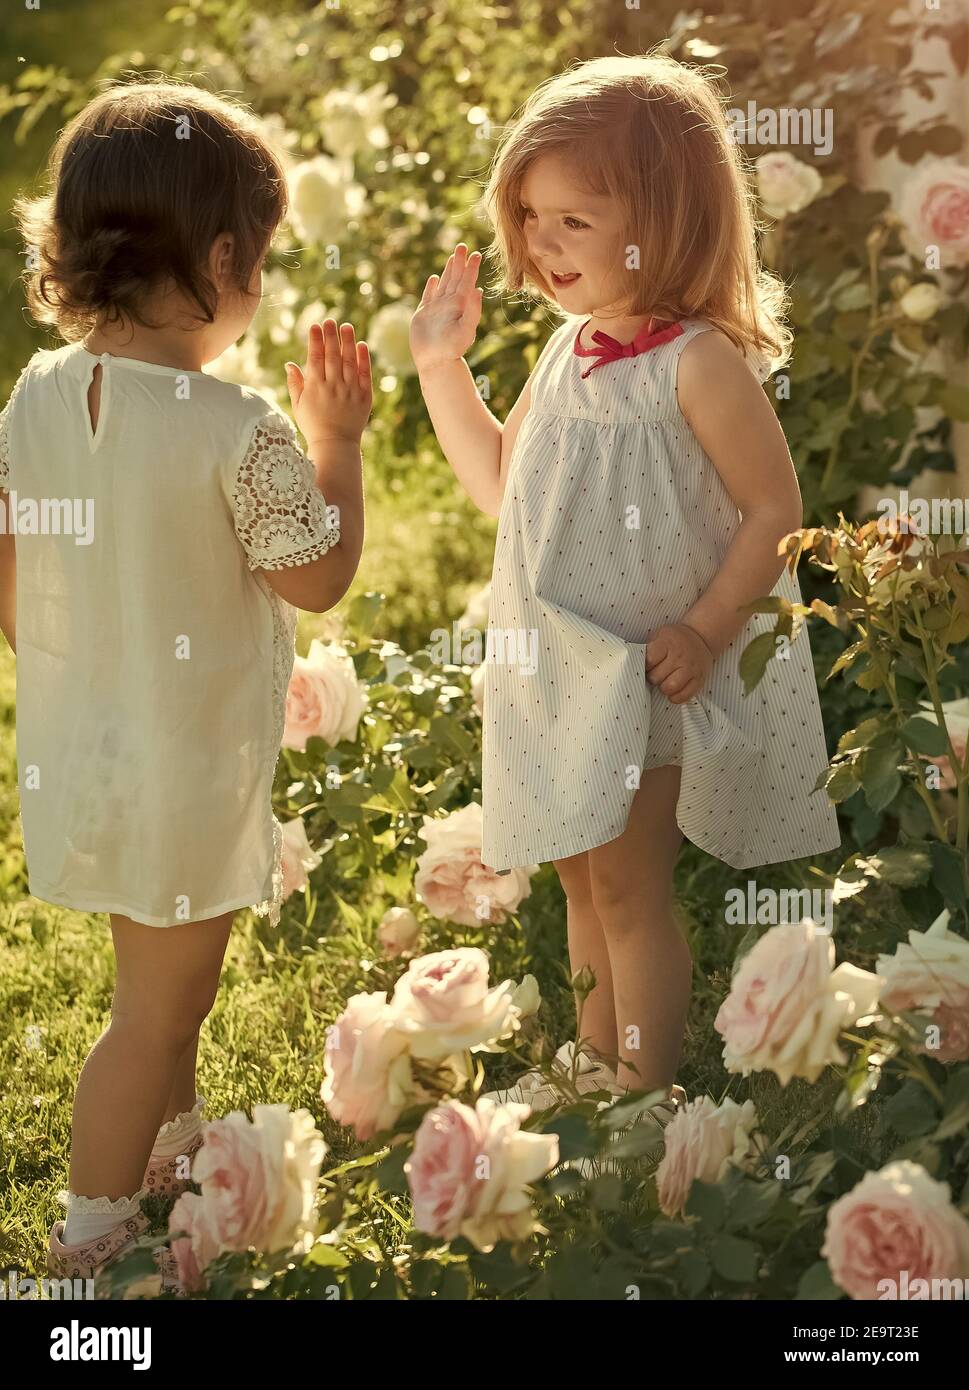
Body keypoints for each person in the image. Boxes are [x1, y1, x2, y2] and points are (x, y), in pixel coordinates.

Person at [410, 52, 840, 1128]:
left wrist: (706, 625)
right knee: (577, 882)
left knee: (628, 888)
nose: (543, 247)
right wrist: (441, 371)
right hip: (563, 667)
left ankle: (645, 1090)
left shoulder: (697, 364)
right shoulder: (569, 352)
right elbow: (506, 488)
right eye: (531, 218)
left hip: (646, 668)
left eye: (575, 223)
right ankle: (593, 1061)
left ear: (667, 220)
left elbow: (773, 509)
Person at [0, 79, 372, 1283]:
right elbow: (316, 578)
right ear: (220, 258)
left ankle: (169, 1157)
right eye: (256, 263)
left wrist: (65, 659)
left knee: (158, 988)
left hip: (87, 752)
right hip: (180, 767)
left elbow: (15, 570)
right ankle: (92, 1240)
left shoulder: (35, 395)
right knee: (153, 1011)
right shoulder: (234, 425)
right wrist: (341, 448)